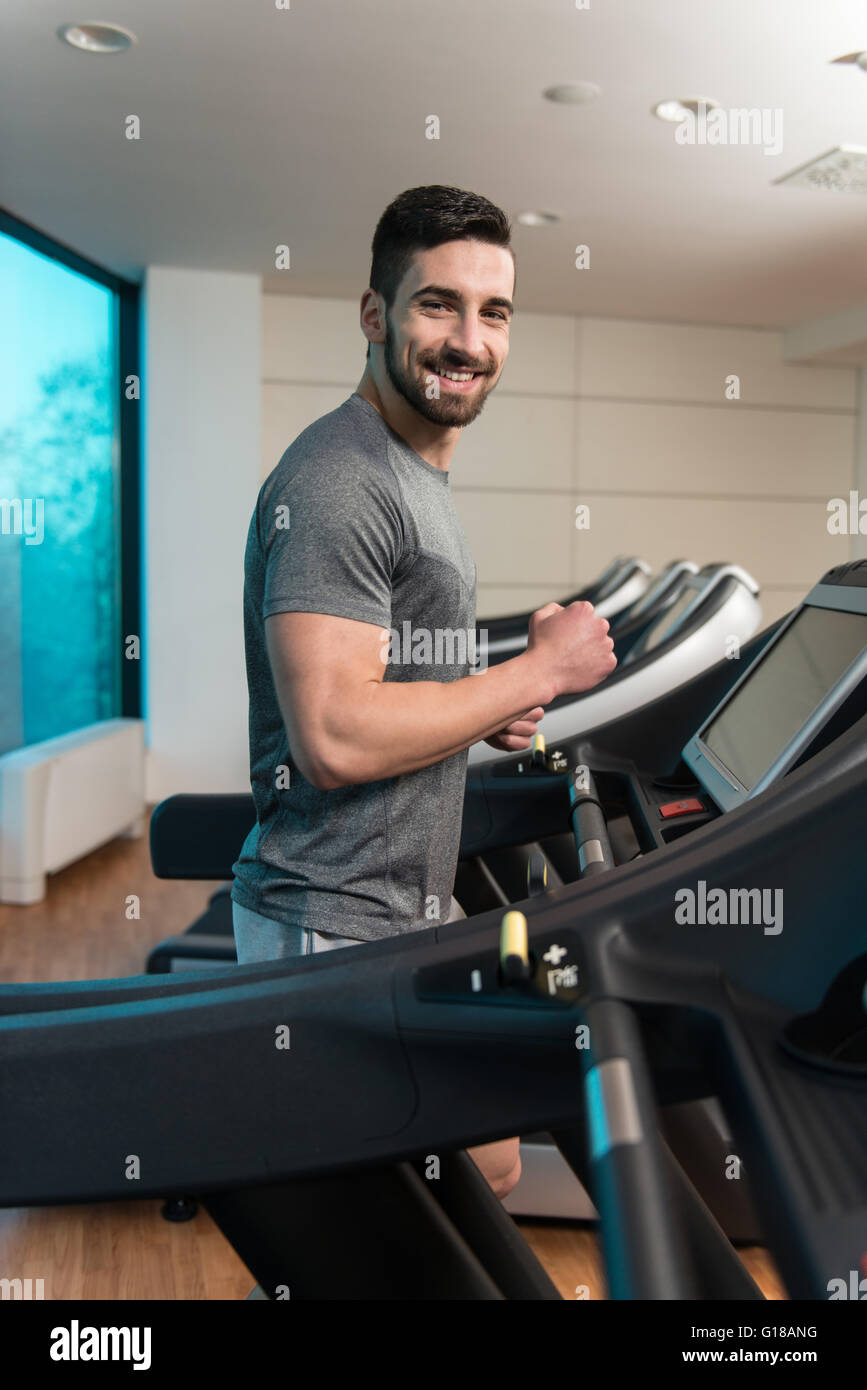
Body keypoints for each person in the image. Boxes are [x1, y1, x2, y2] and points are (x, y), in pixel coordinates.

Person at [231, 184, 616, 1199]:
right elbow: (333, 735)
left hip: (389, 908)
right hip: (332, 915)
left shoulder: (410, 476)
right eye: (438, 304)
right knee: (443, 1184)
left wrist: (492, 699)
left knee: (474, 1162)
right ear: (375, 316)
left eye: (493, 314)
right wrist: (542, 670)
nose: (468, 340)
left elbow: (389, 675)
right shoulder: (341, 482)